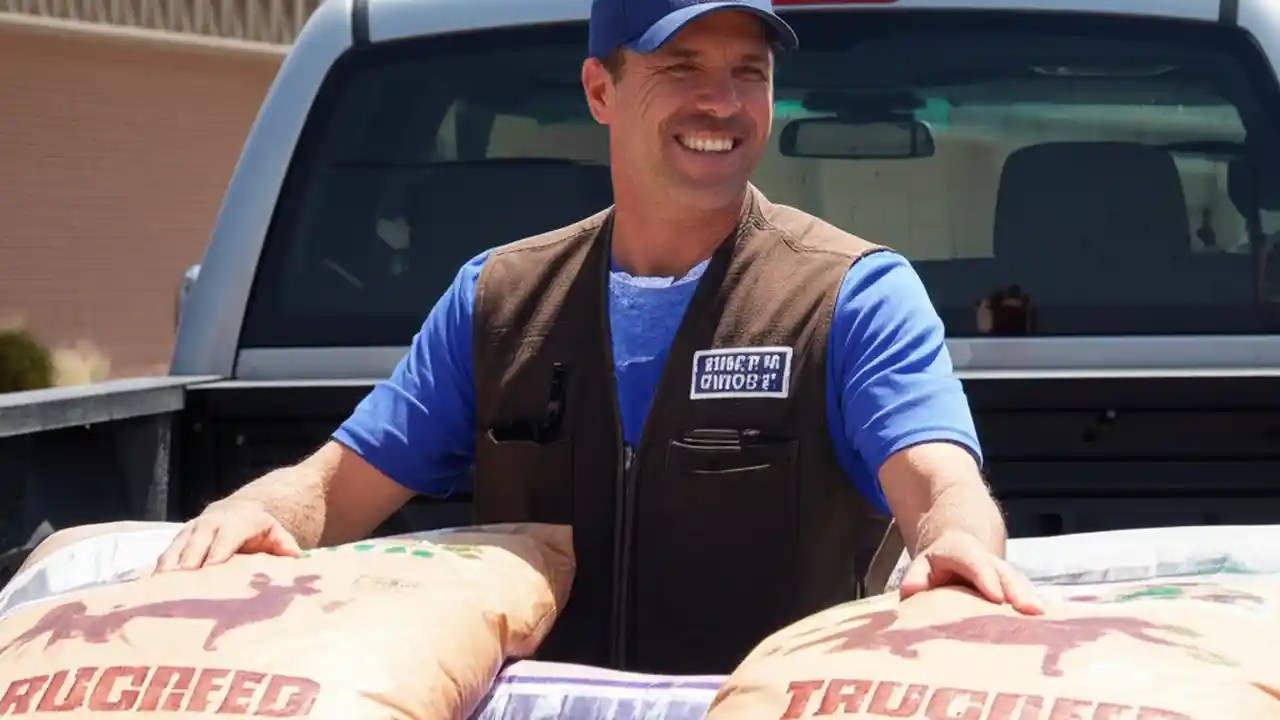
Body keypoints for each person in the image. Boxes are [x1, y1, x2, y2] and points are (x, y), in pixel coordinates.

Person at [156, 0, 1041, 673]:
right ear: (600, 90)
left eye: (749, 72)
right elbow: (335, 489)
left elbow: (938, 479)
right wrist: (255, 515)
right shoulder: (497, 301)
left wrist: (960, 542)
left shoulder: (850, 294)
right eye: (681, 65)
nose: (722, 102)